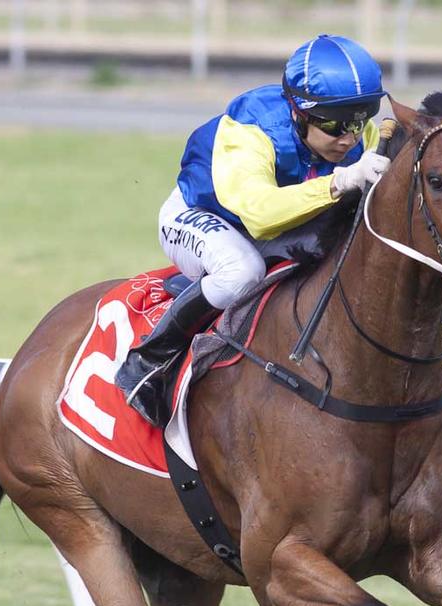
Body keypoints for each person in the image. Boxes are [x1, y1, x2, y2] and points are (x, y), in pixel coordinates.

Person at [114, 33, 390, 426]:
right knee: (241, 271)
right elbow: (260, 215)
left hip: (280, 227)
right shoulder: (253, 127)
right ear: (299, 112)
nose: (349, 138)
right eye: (335, 125)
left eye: (360, 121)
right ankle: (148, 361)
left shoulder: (360, 136)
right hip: (206, 216)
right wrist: (340, 182)